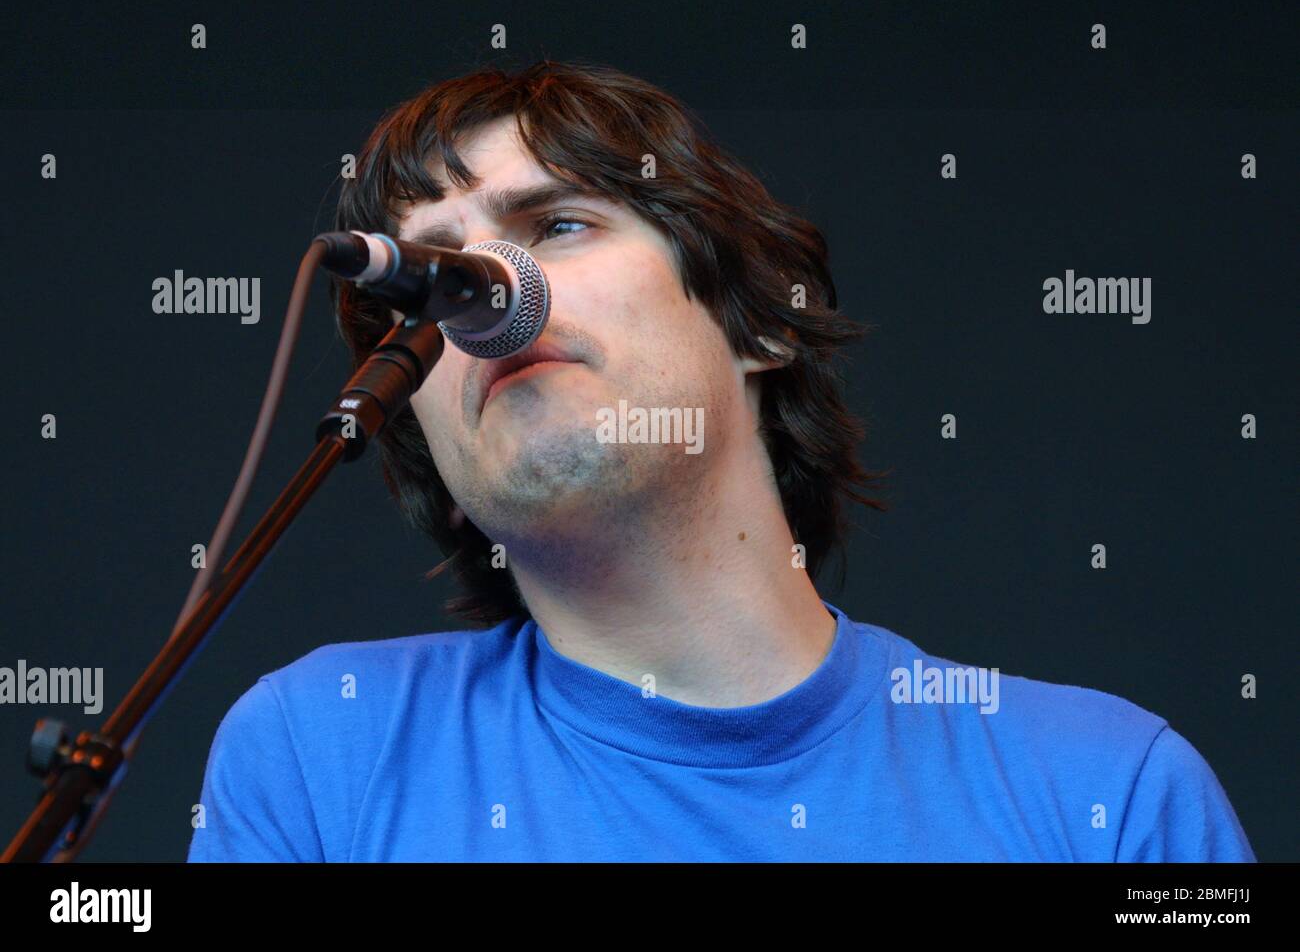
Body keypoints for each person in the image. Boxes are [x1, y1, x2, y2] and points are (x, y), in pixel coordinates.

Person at [188, 61, 1254, 862]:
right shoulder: (317, 750)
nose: (480, 295)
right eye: (427, 280)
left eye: (554, 224)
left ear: (761, 326)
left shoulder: (1111, 792)